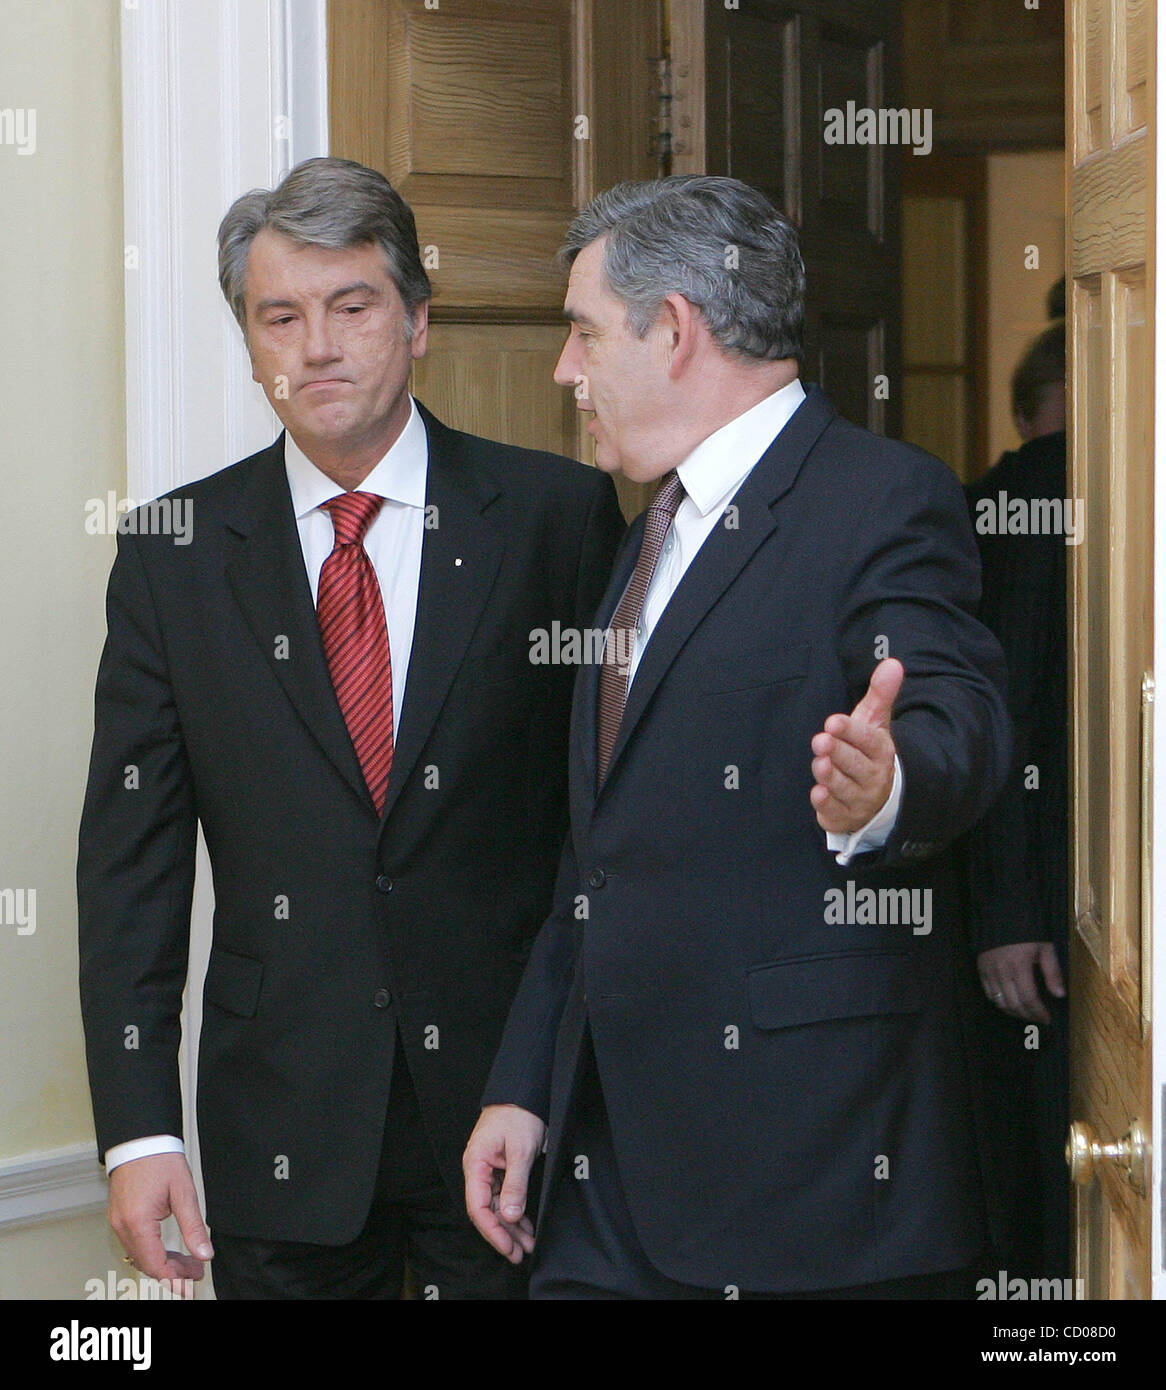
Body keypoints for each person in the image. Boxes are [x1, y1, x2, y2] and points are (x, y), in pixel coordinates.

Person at [77, 156, 624, 1299]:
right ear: (250, 340)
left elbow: (603, 827)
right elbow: (130, 870)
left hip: (511, 1122)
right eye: (279, 315)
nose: (315, 345)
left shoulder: (553, 518)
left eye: (352, 306)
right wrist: (138, 1134)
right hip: (281, 1136)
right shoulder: (173, 554)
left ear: (417, 323)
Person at [463, 175, 1013, 1299]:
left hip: (806, 1184)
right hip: (602, 1178)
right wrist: (523, 1083)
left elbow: (956, 711)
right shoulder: (646, 531)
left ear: (673, 329)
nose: (564, 371)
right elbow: (599, 849)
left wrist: (890, 783)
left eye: (580, 332)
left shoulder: (881, 496)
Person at [963, 318, 1069, 1279]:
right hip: (1052, 913)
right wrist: (1008, 911)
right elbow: (1007, 712)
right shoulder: (1030, 499)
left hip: (1090, 906)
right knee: (1055, 1175)